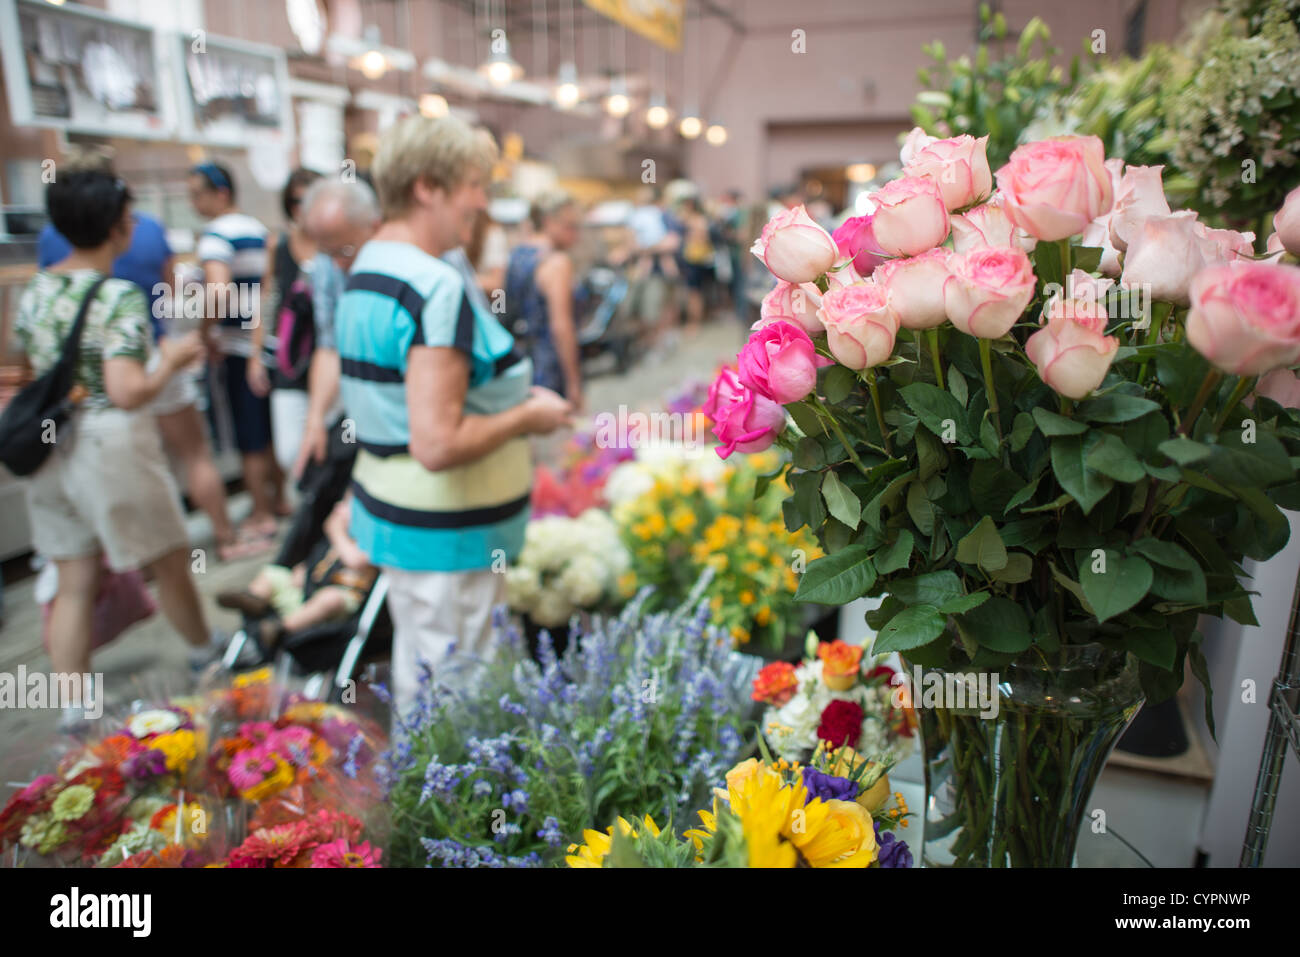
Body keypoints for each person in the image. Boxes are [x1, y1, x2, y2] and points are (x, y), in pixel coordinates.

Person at [334, 115, 571, 715]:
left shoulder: (368, 266)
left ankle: (421, 795)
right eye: (472, 183)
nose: (481, 201)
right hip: (448, 530)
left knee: (425, 674)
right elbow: (437, 444)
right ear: (426, 187)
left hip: (397, 514)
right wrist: (528, 417)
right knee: (458, 695)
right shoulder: (434, 285)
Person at [16, 168, 228, 716]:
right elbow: (128, 391)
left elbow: (25, 367)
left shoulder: (36, 291)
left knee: (74, 579)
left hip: (51, 448)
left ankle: (76, 708)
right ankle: (207, 656)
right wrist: (171, 363)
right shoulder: (118, 298)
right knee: (168, 556)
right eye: (129, 217)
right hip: (109, 445)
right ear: (116, 227)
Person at [38, 151, 245, 561]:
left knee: (135, 468)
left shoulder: (52, 237)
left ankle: (142, 560)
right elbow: (168, 295)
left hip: (89, 381)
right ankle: (224, 538)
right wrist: (179, 350)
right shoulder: (146, 232)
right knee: (191, 454)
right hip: (151, 357)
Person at [188, 161, 285, 544]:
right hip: (268, 346)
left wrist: (205, 332)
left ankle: (260, 513)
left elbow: (218, 291)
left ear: (221, 192)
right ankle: (280, 501)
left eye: (197, 193)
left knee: (250, 436)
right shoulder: (258, 230)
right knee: (270, 430)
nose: (193, 202)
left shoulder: (216, 236)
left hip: (239, 348)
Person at [216, 494, 376, 654]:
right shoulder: (337, 536)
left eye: (345, 506)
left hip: (342, 600)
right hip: (306, 589)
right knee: (273, 574)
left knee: (330, 598)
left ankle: (281, 628)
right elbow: (318, 556)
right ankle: (253, 599)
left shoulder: (368, 540)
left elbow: (355, 561)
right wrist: (305, 569)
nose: (337, 508)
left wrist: (336, 531)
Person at [247, 167, 323, 476]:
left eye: (310, 200)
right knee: (289, 450)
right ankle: (310, 504)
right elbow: (267, 301)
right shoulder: (277, 245)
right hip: (290, 359)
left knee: (329, 439)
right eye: (295, 202)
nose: (302, 209)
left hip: (328, 356)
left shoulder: (336, 246)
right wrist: (256, 356)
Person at [504, 191, 583, 407]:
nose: (576, 235)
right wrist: (574, 382)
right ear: (549, 221)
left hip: (520, 361)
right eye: (570, 226)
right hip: (549, 364)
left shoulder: (516, 254)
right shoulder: (557, 262)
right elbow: (561, 326)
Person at [677, 195, 716, 337]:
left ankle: (694, 323)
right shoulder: (699, 219)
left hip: (695, 259)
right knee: (696, 292)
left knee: (695, 293)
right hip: (696, 259)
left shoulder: (696, 220)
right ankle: (696, 320)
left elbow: (701, 237)